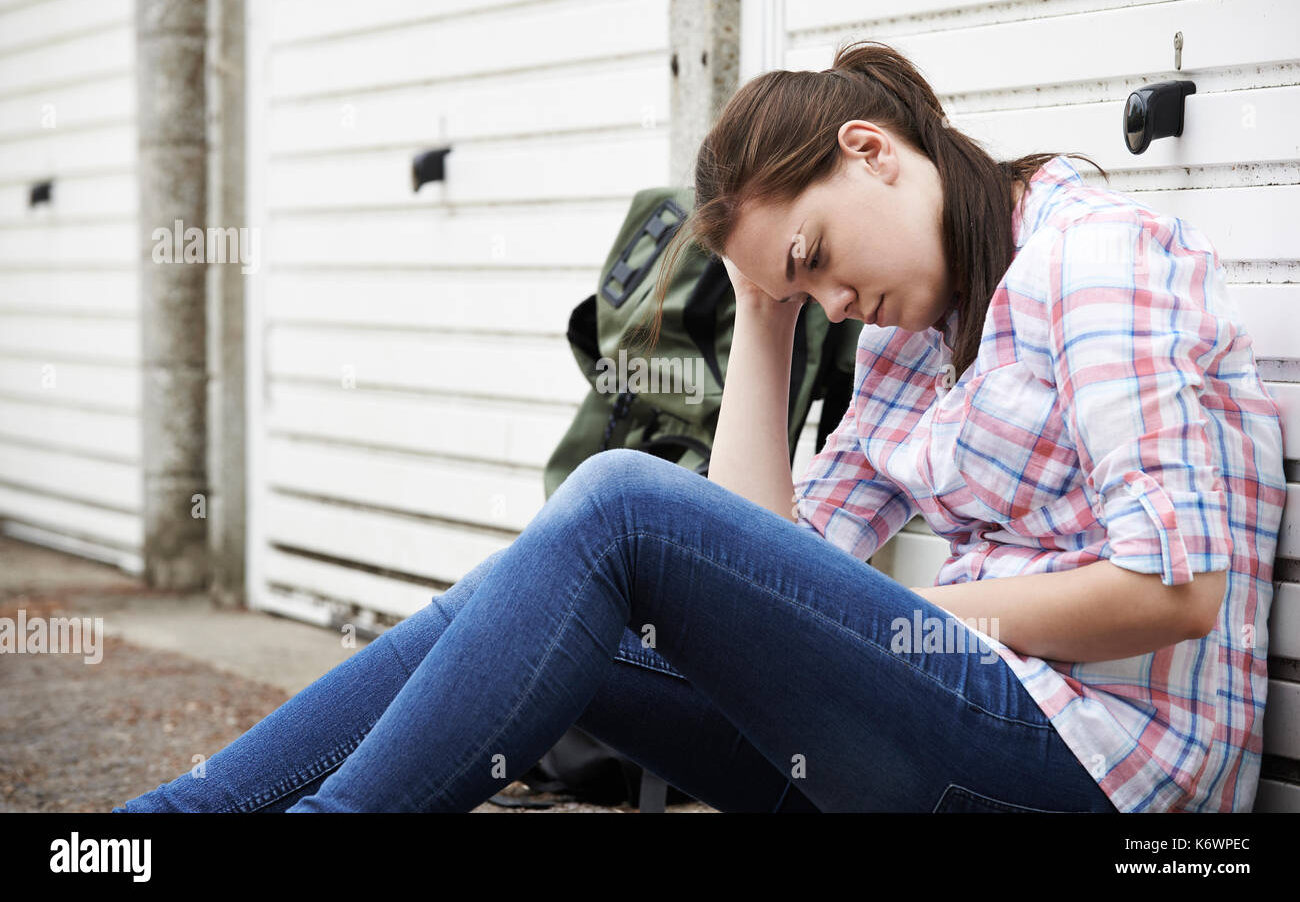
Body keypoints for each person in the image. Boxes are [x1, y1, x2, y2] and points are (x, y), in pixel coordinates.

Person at [112, 39, 1287, 814]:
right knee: (531, 596)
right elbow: (766, 564)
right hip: (927, 749)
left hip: (1097, 780)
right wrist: (763, 315)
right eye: (799, 288)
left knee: (620, 503)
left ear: (870, 153)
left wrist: (921, 624)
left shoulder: (1093, 261)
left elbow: (1169, 592)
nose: (830, 299)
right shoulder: (905, 339)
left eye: (813, 259)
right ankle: (172, 822)